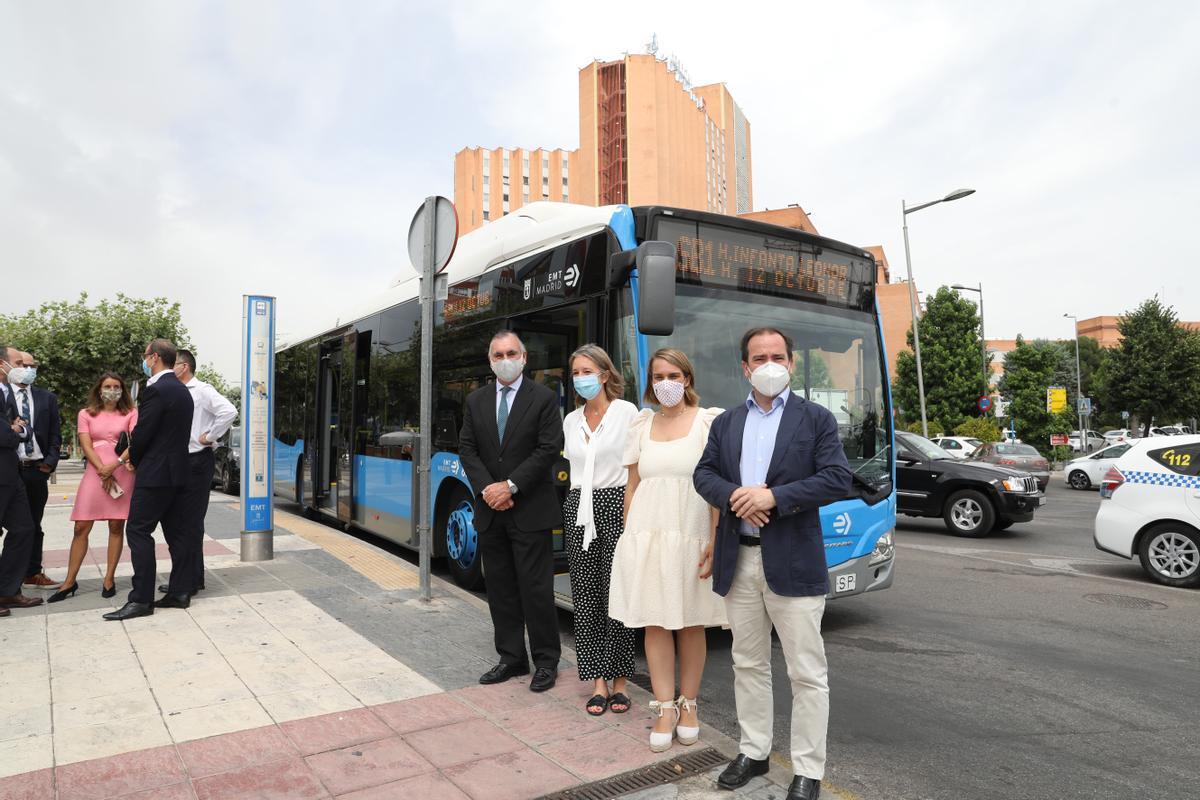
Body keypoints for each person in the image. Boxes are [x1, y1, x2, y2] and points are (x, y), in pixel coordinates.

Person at [693, 327, 852, 800]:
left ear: (791, 363)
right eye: (759, 357)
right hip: (738, 558)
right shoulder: (726, 423)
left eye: (777, 356)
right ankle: (754, 750)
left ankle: (807, 771)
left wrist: (774, 497)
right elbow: (704, 474)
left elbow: (836, 478)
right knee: (748, 664)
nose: (769, 364)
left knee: (806, 672)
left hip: (794, 562)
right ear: (745, 366)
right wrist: (739, 498)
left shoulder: (816, 419)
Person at [609, 348, 726, 752]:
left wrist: (714, 539)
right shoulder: (642, 425)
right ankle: (664, 708)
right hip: (648, 534)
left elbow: (715, 490)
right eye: (658, 376)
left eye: (673, 375)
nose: (666, 384)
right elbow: (632, 486)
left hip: (692, 533)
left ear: (688, 379)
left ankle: (688, 704)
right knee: (655, 622)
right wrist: (627, 538)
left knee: (691, 622)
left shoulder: (708, 422)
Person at [458, 331, 564, 693]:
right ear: (490, 361)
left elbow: (549, 448)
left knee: (536, 590)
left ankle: (546, 661)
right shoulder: (476, 400)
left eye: (512, 352)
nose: (506, 359)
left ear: (524, 357)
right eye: (499, 354)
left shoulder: (545, 398)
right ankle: (511, 658)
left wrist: (511, 486)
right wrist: (490, 489)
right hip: (491, 511)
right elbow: (467, 450)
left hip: (530, 509)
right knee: (500, 589)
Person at [562, 344, 638, 716]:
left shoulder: (627, 413)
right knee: (586, 596)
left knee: (617, 595)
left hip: (616, 505)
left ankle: (620, 682)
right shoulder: (571, 420)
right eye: (576, 373)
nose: (581, 379)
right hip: (579, 507)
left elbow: (635, 467)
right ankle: (596, 682)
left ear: (605, 375)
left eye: (587, 371)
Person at [103, 339, 194, 621]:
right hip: (179, 472)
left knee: (138, 532)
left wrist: (133, 459)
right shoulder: (182, 390)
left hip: (155, 474)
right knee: (178, 535)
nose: (144, 361)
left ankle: (141, 599)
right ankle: (180, 592)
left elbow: (143, 433)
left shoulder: (156, 390)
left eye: (145, 357)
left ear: (154, 358)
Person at [49, 373, 138, 602]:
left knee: (116, 525)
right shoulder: (85, 413)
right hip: (95, 471)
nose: (112, 390)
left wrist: (114, 466)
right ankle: (69, 581)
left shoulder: (130, 412)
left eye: (117, 386)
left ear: (122, 390)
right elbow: (85, 444)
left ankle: (109, 578)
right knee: (81, 527)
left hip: (121, 469)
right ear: (99, 389)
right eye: (108, 386)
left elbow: (135, 441)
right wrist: (102, 470)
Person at [156, 349, 236, 597]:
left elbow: (229, 411)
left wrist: (210, 436)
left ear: (184, 366)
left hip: (197, 461)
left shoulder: (201, 390)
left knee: (188, 524)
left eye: (173, 365)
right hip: (181, 461)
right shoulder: (177, 392)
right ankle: (191, 577)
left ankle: (186, 581)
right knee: (184, 523)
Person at [7, 350, 62, 588]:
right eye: (23, 364)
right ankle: (10, 579)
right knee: (15, 526)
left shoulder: (46, 398)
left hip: (35, 470)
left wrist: (48, 464)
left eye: (33, 365)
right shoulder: (5, 396)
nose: (29, 369)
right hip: (10, 469)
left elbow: (55, 435)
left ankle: (32, 571)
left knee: (33, 524)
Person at [0, 344, 42, 616]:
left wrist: (15, 429)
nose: (22, 369)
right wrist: (16, 430)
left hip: (9, 473)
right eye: (17, 363)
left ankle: (7, 590)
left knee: (24, 529)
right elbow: (6, 436)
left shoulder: (6, 394)